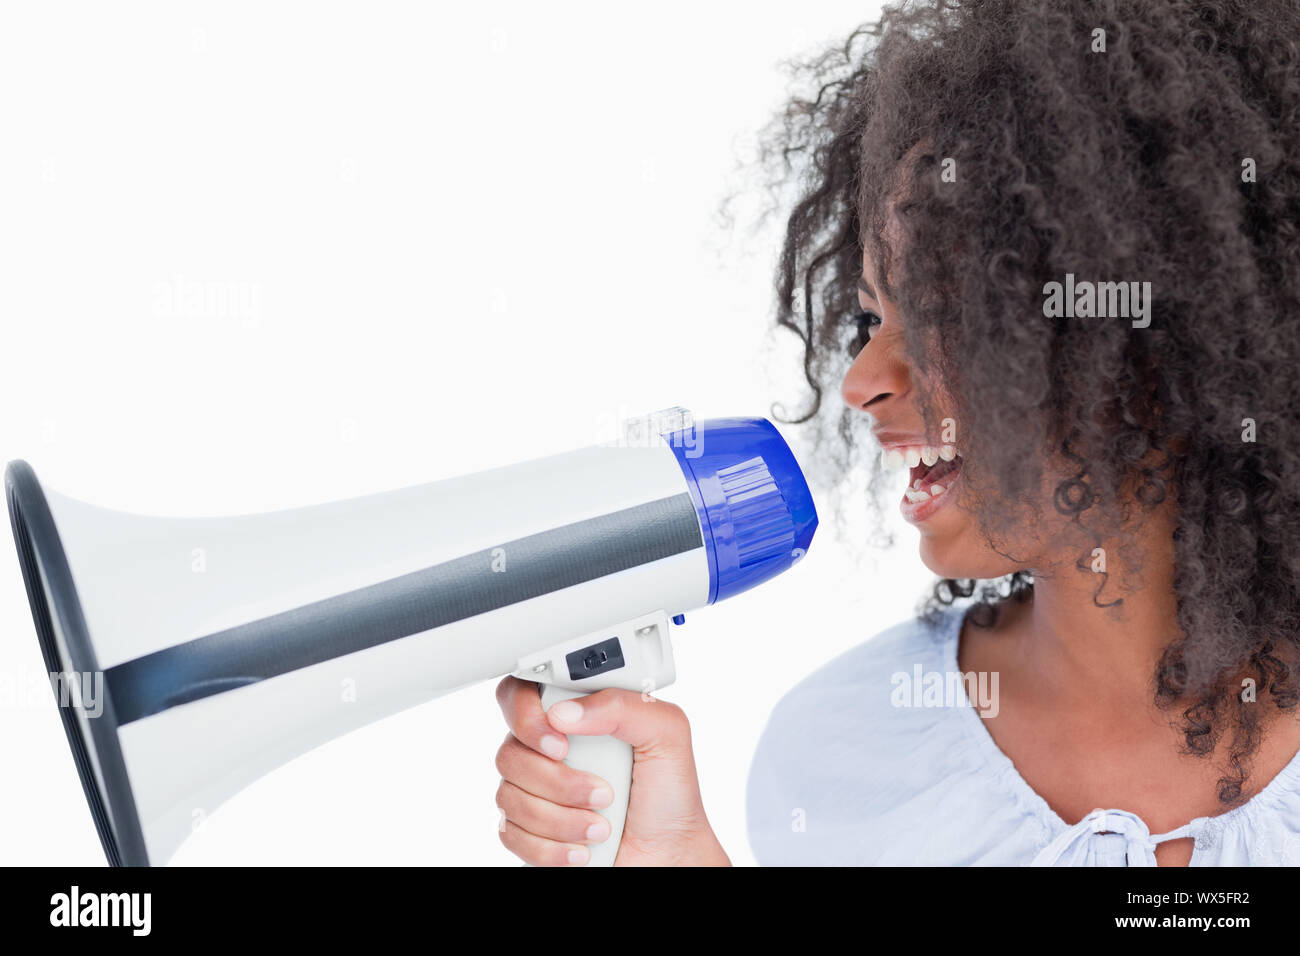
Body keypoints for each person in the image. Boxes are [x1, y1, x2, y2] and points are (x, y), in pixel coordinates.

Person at [493, 0, 1300, 866]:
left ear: (1165, 340)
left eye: (953, 311)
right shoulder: (843, 754)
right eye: (871, 316)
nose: (863, 382)